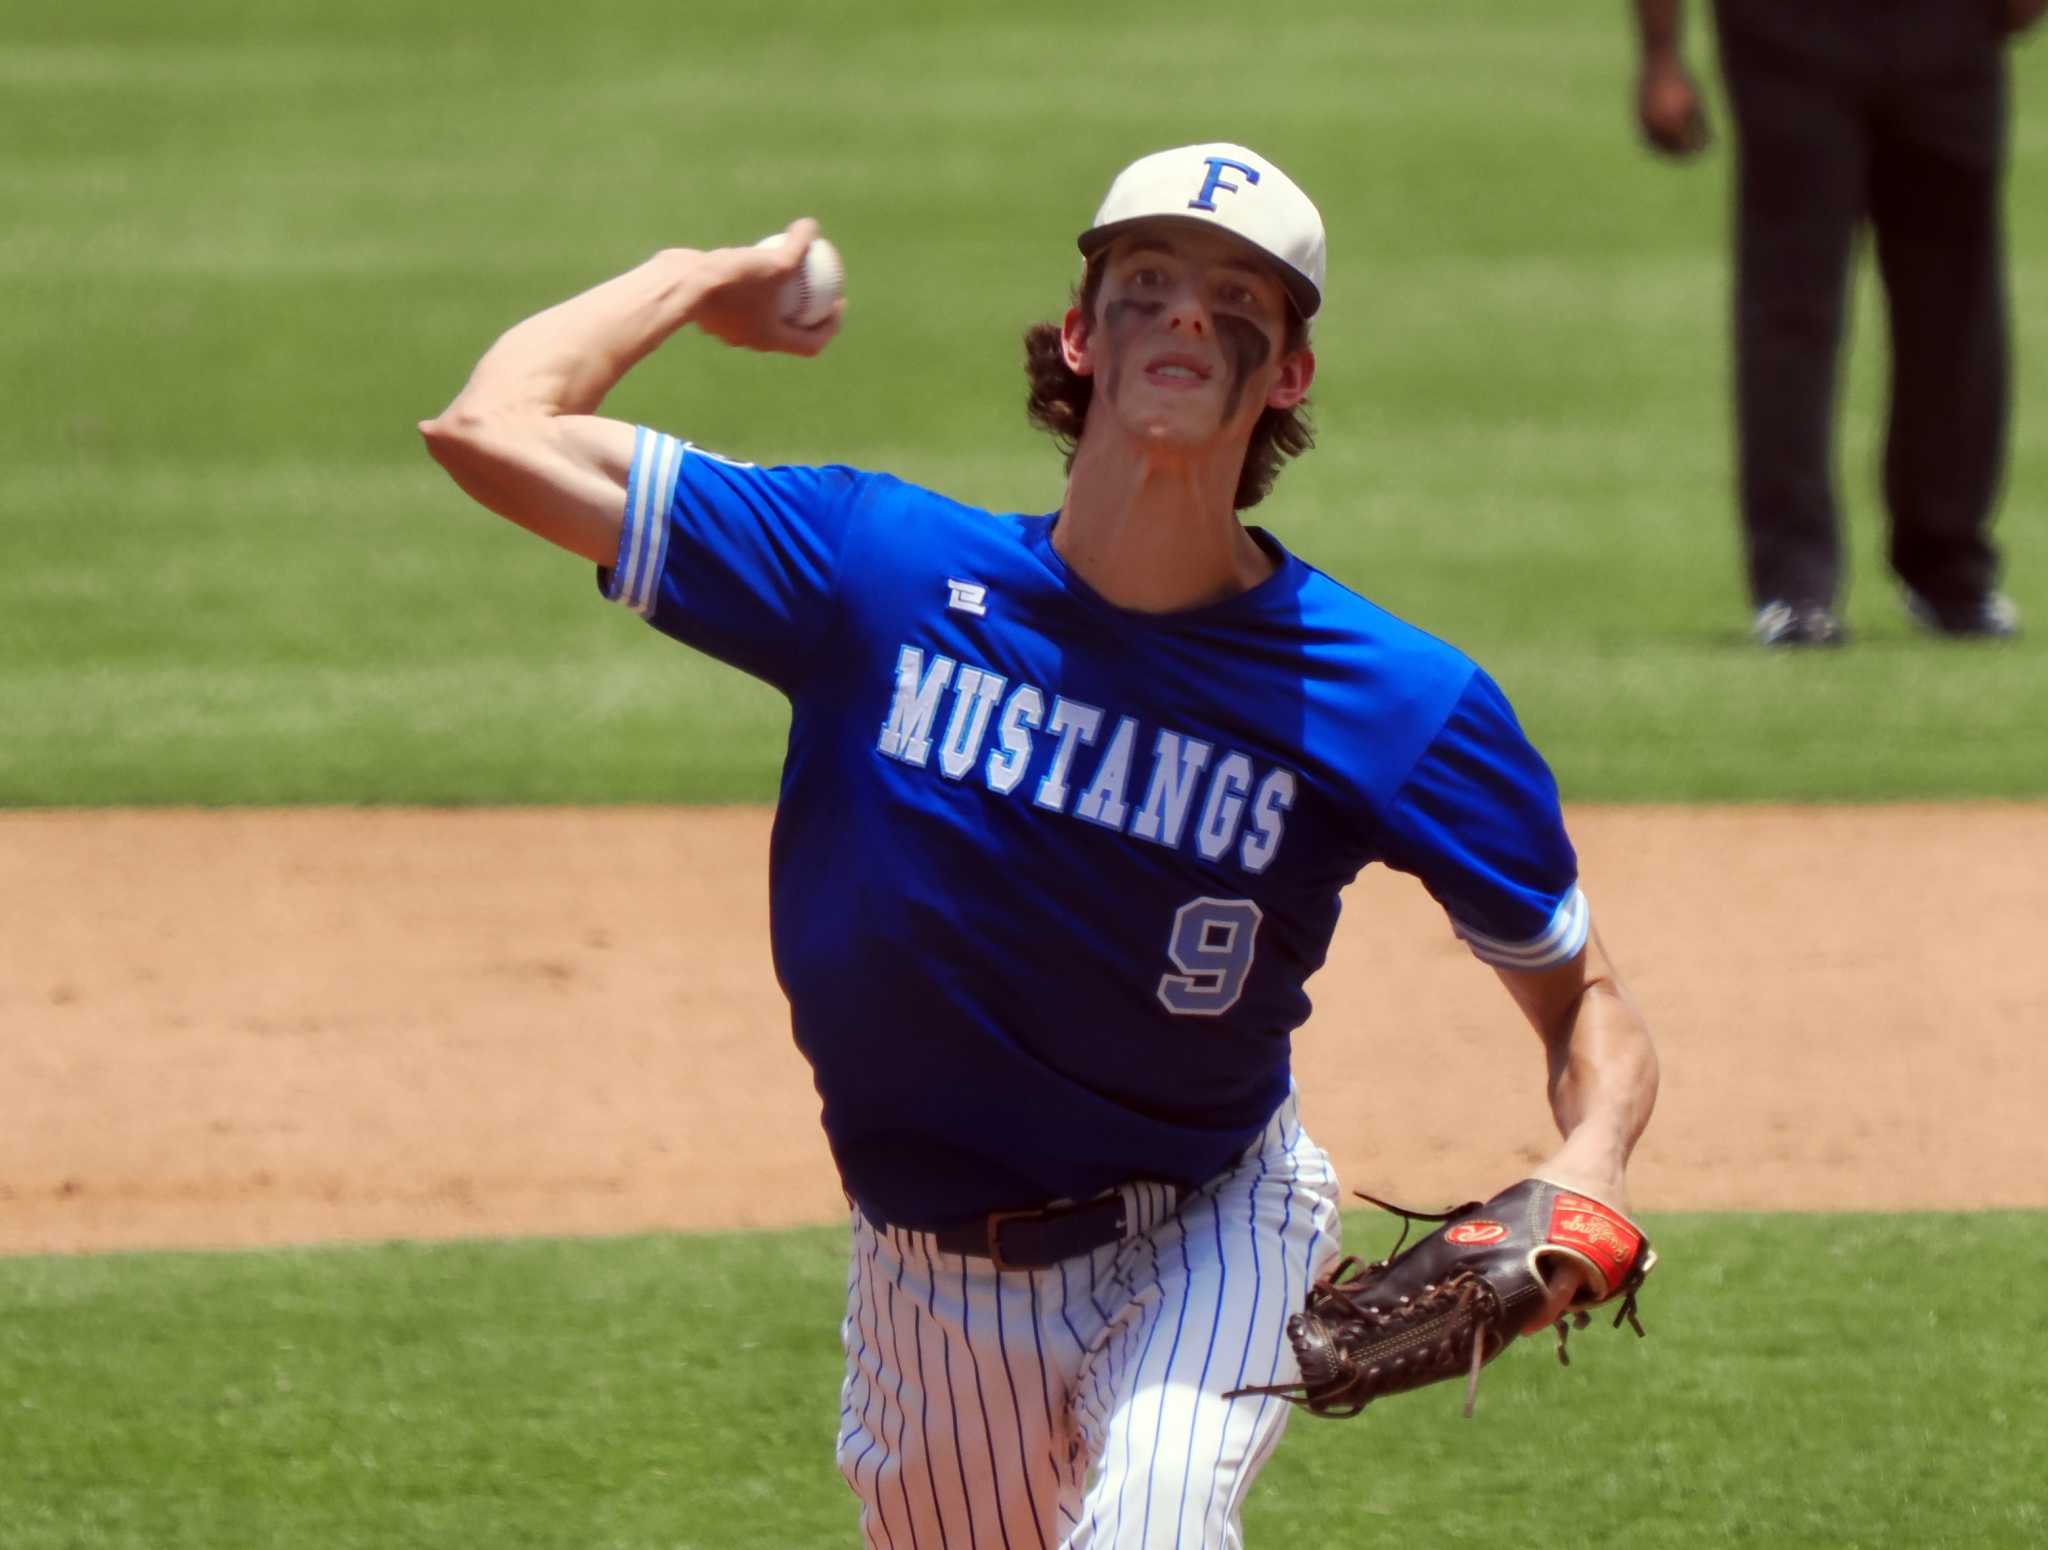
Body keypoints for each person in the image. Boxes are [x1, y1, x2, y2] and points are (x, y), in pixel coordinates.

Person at [420, 143, 1659, 1548]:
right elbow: (487, 428)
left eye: (1237, 294)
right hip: (928, 1275)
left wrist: (1594, 1156)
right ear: (1081, 337)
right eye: (1147, 283)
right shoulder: (869, 572)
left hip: (1214, 1222)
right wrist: (704, 280)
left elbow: (1586, 999)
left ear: (1291, 370)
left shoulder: (1394, 698)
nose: (1188, 312)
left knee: (1153, 1531)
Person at [1635, 0, 2038, 646]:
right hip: (1787, 30)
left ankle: (1950, 569)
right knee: (1789, 308)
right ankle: (1793, 586)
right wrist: (1661, 56)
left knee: (1956, 304)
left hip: (1952, 29)